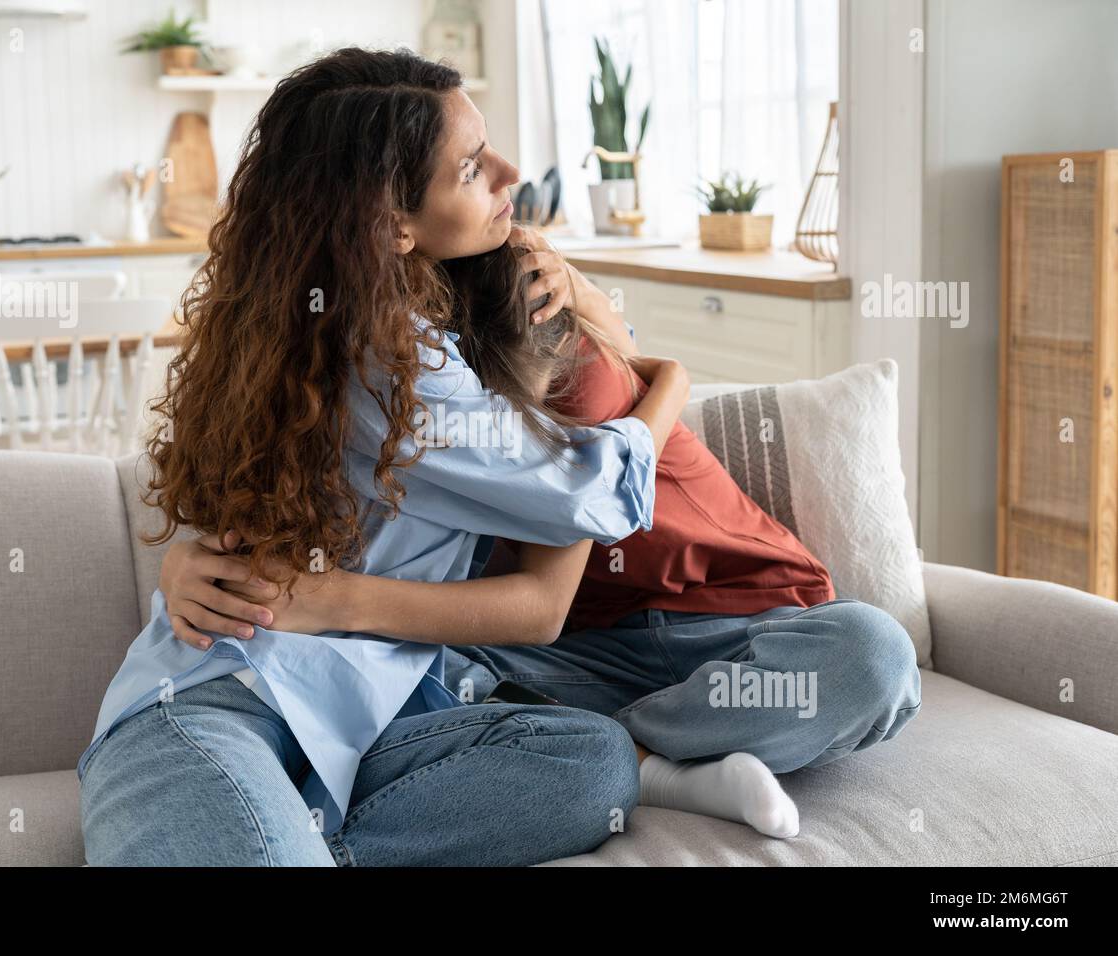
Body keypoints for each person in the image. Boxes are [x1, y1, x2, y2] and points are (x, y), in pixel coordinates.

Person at [79, 47, 693, 867]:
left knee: (588, 763)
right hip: (220, 705)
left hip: (375, 728)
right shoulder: (388, 359)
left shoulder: (357, 329)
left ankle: (309, 840)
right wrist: (677, 381)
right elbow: (588, 489)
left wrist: (582, 296)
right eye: (472, 168)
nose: (511, 173)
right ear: (391, 223)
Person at [170, 238, 924, 842]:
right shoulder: (403, 383)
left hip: (738, 625)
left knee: (870, 655)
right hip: (566, 659)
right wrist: (190, 567)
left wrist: (657, 370)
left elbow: (565, 542)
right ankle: (647, 757)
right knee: (377, 678)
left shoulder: (549, 348)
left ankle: (638, 754)